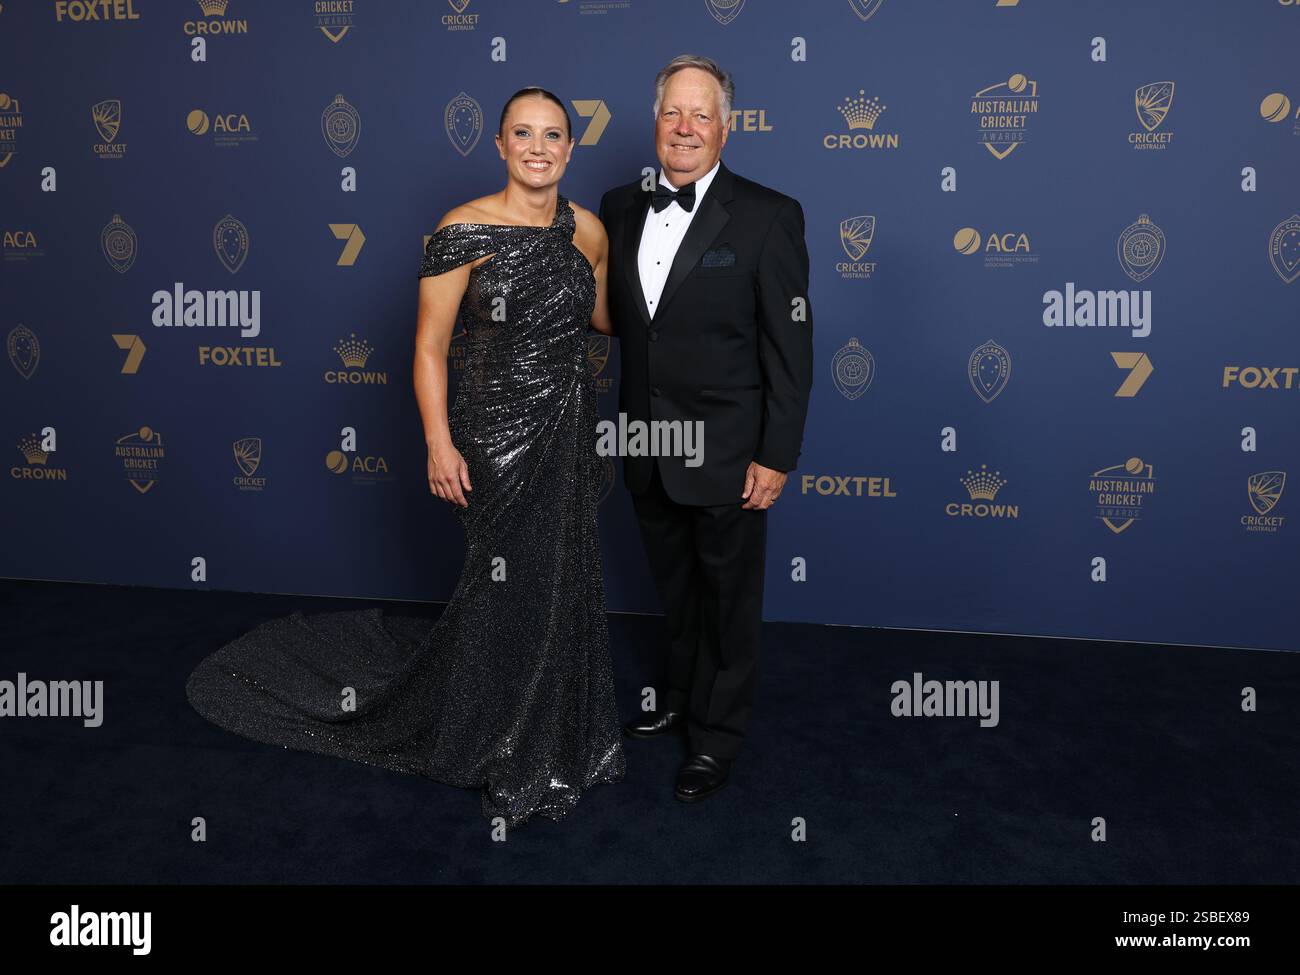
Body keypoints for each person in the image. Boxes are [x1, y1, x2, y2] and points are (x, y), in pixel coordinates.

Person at [185, 87, 625, 828]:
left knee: (562, 578)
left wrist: (696, 299)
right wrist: (438, 440)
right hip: (493, 433)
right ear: (499, 144)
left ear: (571, 148)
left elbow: (607, 318)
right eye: (523, 133)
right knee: (505, 587)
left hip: (568, 426)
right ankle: (499, 742)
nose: (539, 147)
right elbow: (427, 347)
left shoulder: (588, 230)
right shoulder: (463, 227)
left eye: (553, 135)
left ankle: (558, 733)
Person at [598, 55, 814, 802]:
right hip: (646, 445)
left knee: (727, 599)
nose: (684, 128)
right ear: (654, 122)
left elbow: (790, 349)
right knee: (678, 591)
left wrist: (775, 454)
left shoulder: (769, 215)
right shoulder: (619, 204)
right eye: (671, 113)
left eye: (700, 115)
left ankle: (717, 739)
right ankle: (684, 700)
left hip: (727, 449)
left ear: (727, 127)